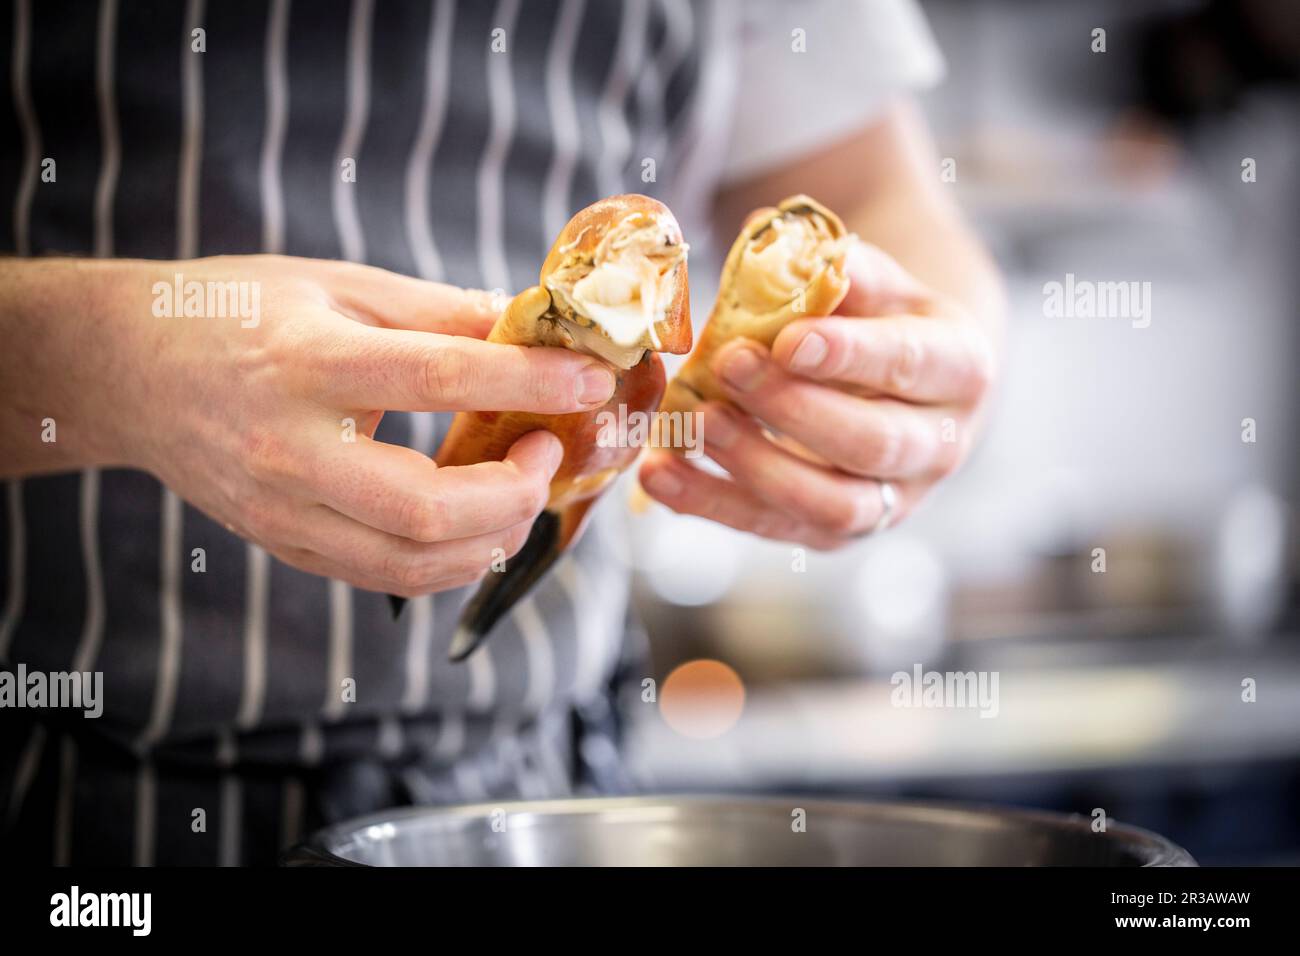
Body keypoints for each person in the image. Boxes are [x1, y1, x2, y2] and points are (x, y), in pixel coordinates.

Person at [0, 0, 1002, 865]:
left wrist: (917, 371)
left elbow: (879, 197)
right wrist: (115, 360)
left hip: (548, 799)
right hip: (61, 794)